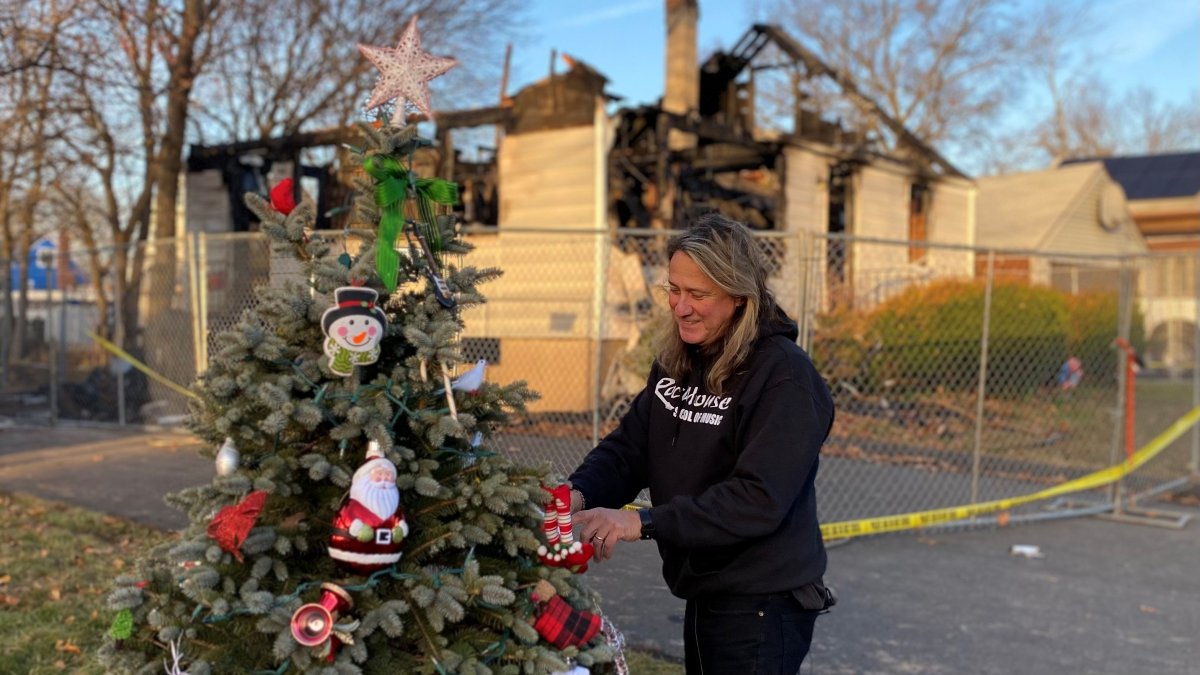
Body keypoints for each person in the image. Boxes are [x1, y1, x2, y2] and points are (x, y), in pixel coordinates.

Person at [568, 213, 836, 674]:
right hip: (706, 589)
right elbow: (630, 449)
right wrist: (579, 494)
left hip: (761, 603)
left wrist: (640, 523)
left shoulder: (784, 378)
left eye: (699, 294)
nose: (680, 306)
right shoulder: (680, 359)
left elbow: (756, 499)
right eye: (674, 289)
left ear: (738, 296)